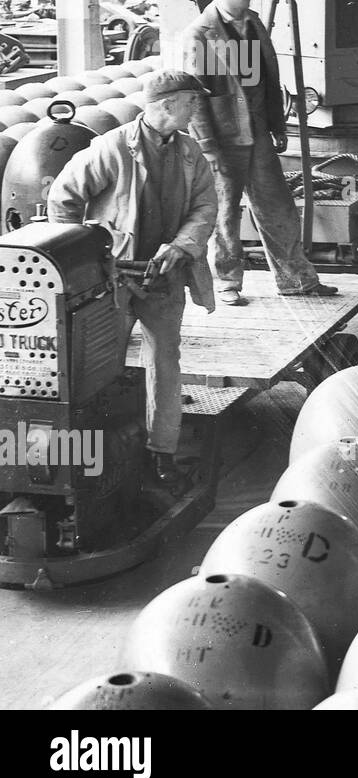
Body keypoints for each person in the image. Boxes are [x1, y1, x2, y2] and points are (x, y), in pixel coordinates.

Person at [47, 71, 218, 486]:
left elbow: (205, 207)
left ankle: (161, 453)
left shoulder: (190, 153)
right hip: (112, 281)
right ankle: (99, 459)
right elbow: (63, 198)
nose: (197, 109)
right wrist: (82, 264)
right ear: (166, 105)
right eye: (191, 102)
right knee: (98, 368)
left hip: (164, 276)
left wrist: (181, 245)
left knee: (164, 364)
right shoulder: (111, 148)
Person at [177, 0, 338, 305]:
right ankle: (228, 283)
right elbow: (198, 99)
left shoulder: (251, 24)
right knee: (225, 212)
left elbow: (263, 82)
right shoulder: (202, 35)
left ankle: (295, 279)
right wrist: (209, 147)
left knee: (277, 207)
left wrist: (278, 125)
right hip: (223, 141)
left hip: (257, 135)